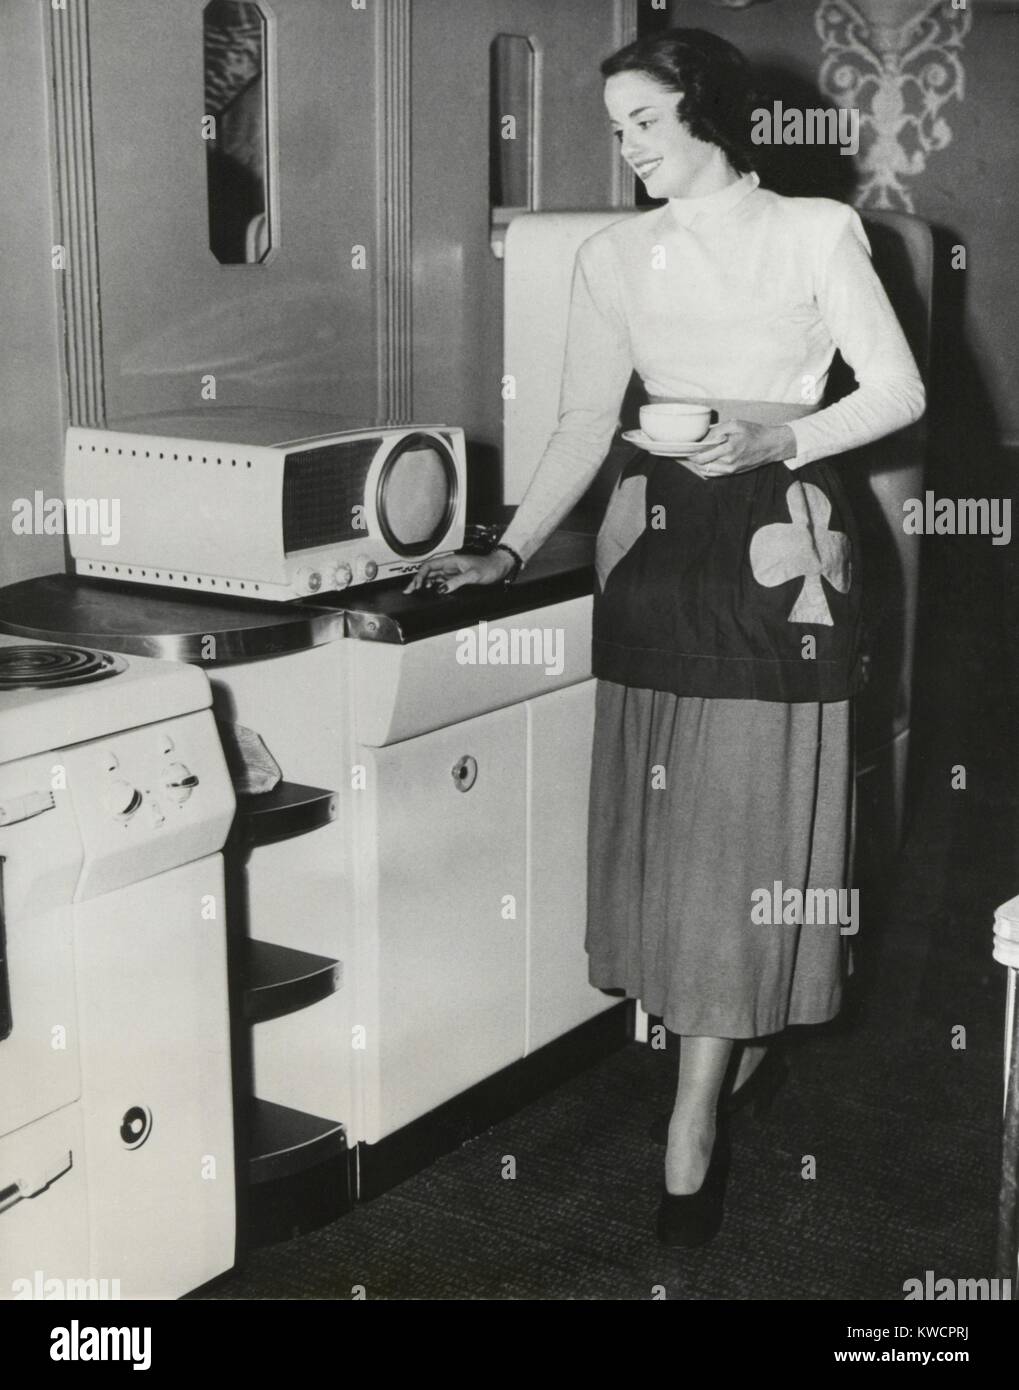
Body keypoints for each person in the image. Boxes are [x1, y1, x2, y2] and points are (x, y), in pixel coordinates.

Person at [407, 27, 925, 1246]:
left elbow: (897, 390)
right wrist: (507, 542)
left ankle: (691, 1120)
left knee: (742, 826)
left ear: (707, 115)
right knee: (668, 826)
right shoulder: (611, 253)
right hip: (648, 552)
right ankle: (719, 1052)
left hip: (780, 548)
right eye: (617, 125)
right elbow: (587, 418)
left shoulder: (811, 232)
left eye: (643, 120)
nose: (625, 146)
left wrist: (773, 441)